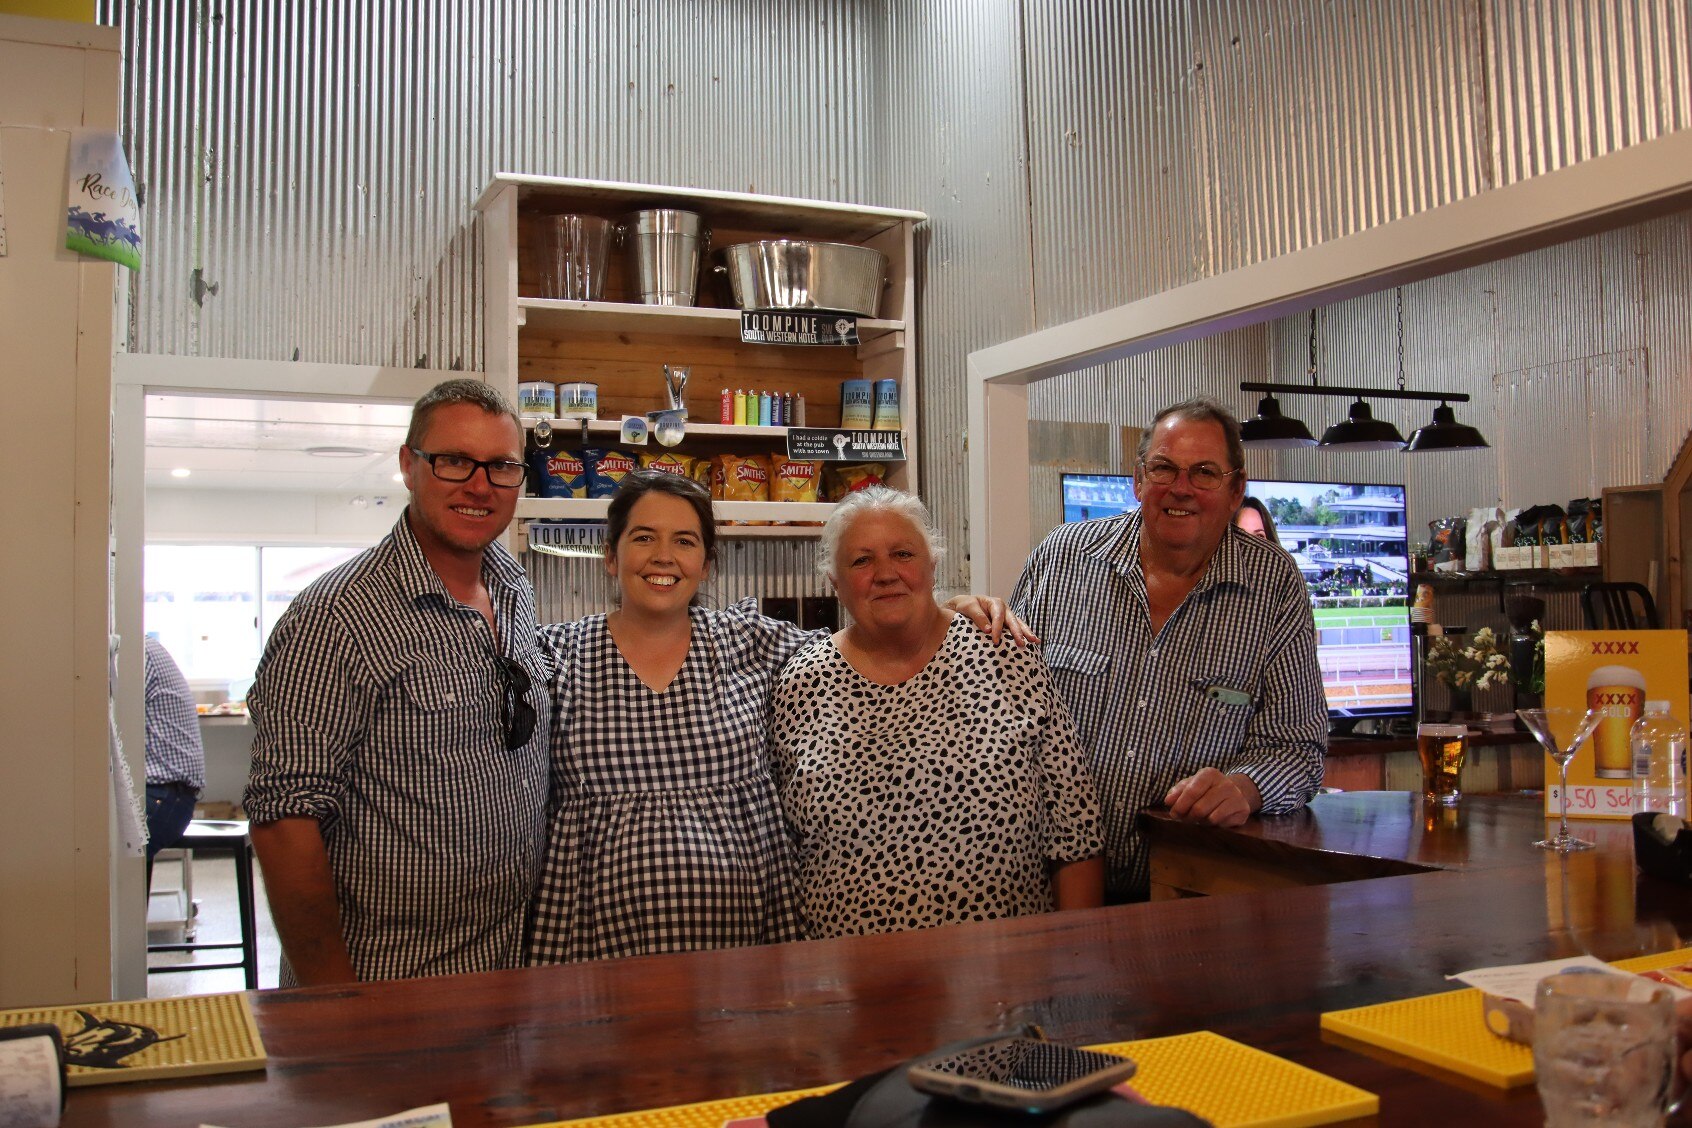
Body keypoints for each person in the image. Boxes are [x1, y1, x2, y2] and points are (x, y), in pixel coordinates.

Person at [525, 472, 1026, 964]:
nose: (664, 556)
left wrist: (949, 610)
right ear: (611, 557)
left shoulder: (750, 641)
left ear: (705, 562)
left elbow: (864, 647)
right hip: (593, 950)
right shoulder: (556, 657)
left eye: (684, 540)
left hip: (747, 952)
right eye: (643, 538)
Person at [245, 379, 551, 985]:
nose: (479, 485)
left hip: (512, 966)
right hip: (391, 979)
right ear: (409, 465)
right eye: (454, 461)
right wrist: (333, 997)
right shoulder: (335, 618)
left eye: (501, 466)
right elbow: (284, 822)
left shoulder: (513, 584)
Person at [1011, 396, 1326, 902]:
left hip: (1181, 897)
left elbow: (1298, 747)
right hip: (1039, 891)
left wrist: (1245, 788)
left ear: (1235, 489)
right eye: (1163, 468)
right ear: (1138, 480)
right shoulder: (1061, 559)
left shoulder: (1273, 587)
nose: (1181, 488)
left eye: (1204, 472)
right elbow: (999, 703)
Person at [769, 487, 1104, 938]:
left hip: (1003, 981)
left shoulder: (1006, 654)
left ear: (932, 565)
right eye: (861, 561)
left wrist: (1074, 965)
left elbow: (1076, 832)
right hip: (847, 984)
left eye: (903, 553)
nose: (886, 574)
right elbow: (779, 849)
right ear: (835, 583)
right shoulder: (800, 684)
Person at [142, 636, 205, 882]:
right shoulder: (143, 645)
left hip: (163, 796)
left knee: (86, 850)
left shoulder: (134, 652)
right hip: (166, 793)